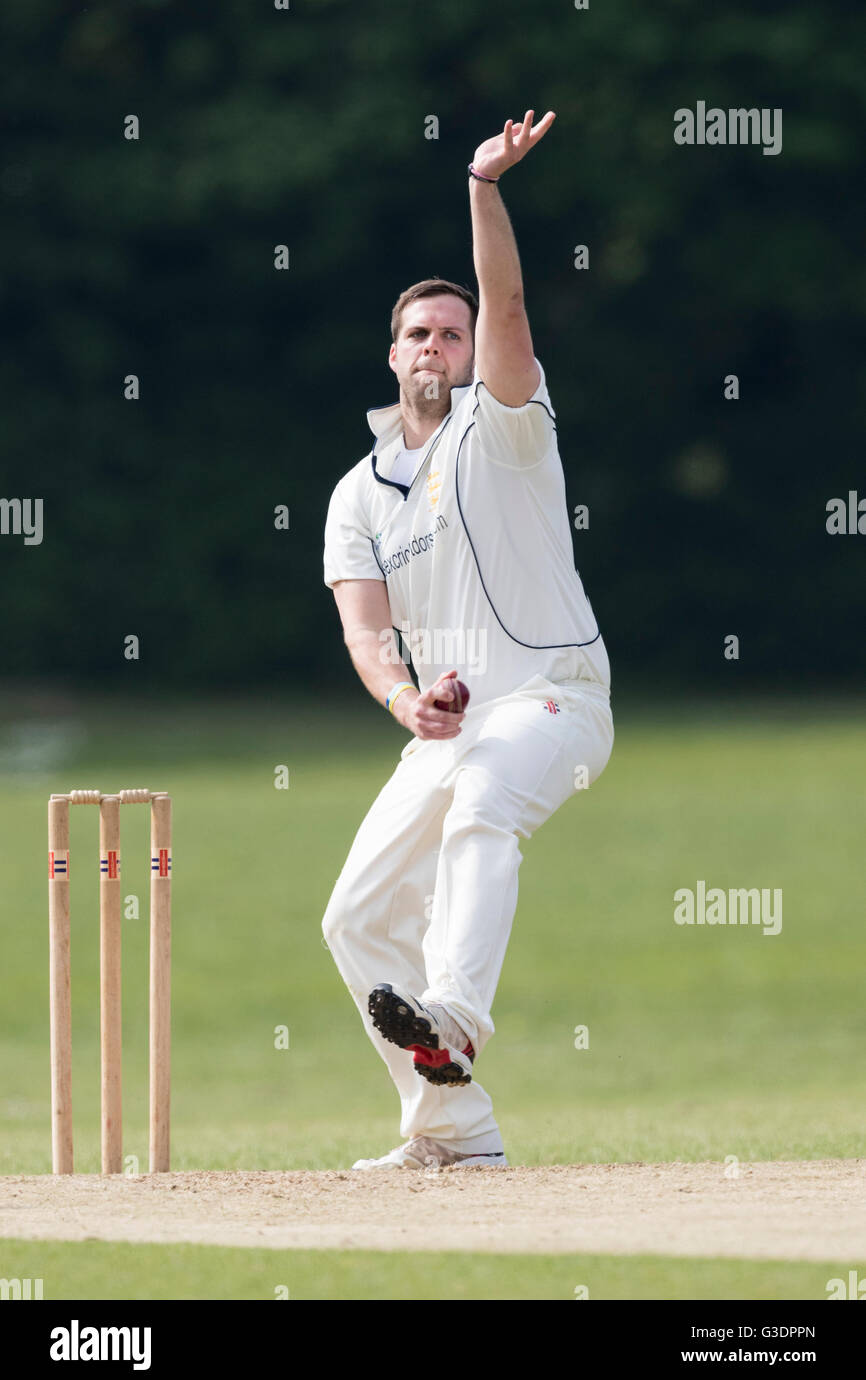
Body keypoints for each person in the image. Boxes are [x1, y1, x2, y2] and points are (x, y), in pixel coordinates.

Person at [321, 111, 613, 1170]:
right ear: (389, 353)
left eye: (450, 331)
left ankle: (454, 1014)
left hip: (554, 698)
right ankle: (450, 1127)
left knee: (485, 805)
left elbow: (510, 302)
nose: (436, 347)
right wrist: (409, 705)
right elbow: (365, 633)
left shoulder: (505, 428)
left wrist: (482, 186)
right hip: (446, 728)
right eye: (418, 335)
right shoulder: (355, 494)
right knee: (352, 917)